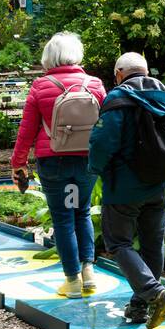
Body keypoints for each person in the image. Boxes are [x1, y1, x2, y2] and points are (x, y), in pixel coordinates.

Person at [88, 53, 165, 329]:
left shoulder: (117, 98)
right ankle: (139, 307)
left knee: (118, 243)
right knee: (152, 244)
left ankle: (154, 294)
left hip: (123, 187)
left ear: (119, 74)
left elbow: (102, 143)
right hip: (159, 185)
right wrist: (159, 156)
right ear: (146, 71)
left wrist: (96, 169)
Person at [11, 33, 106, 298]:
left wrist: (18, 163)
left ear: (48, 57)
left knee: (64, 218)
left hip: (54, 161)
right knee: (82, 212)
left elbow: (26, 131)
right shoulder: (95, 84)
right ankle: (89, 273)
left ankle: (72, 281)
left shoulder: (41, 86)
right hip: (87, 161)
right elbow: (105, 125)